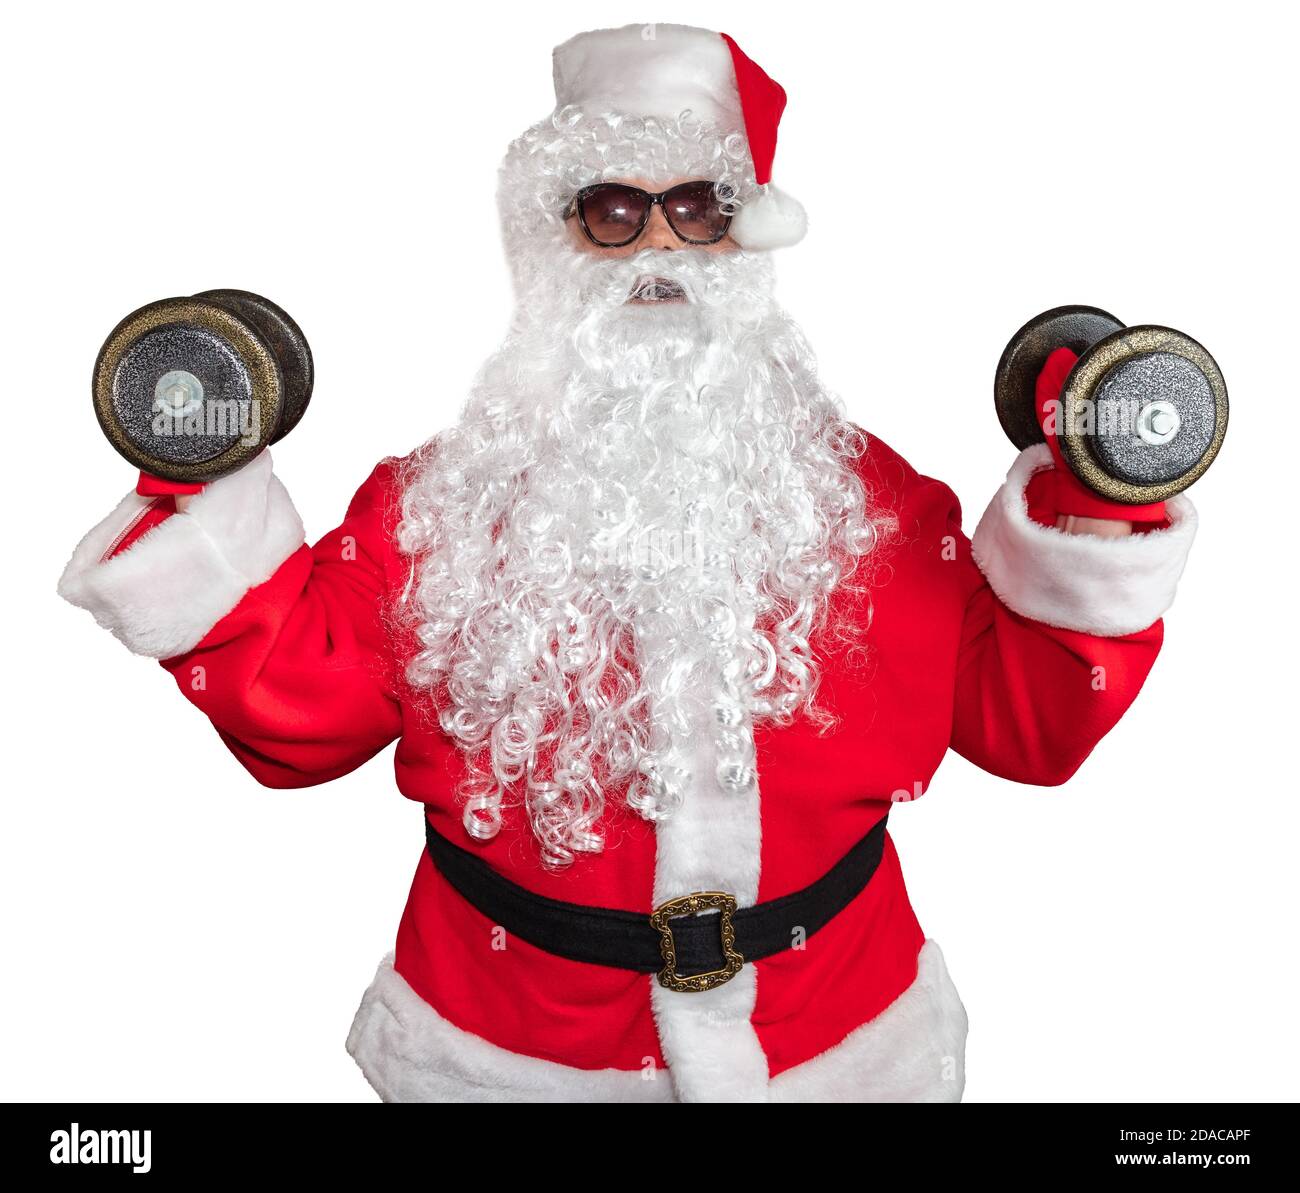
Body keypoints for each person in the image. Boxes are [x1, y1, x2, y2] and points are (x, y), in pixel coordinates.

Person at [59, 23, 1196, 1102]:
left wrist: (1088, 514)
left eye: (696, 210)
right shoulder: (431, 505)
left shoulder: (867, 501)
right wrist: (199, 480)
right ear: (553, 243)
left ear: (741, 239)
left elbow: (1025, 728)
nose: (656, 246)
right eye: (610, 211)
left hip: (832, 1040)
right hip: (507, 1045)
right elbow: (299, 724)